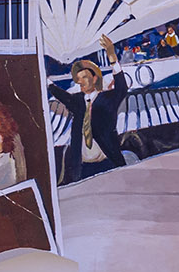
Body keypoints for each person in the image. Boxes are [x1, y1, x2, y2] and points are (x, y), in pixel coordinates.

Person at [47, 42, 129, 184]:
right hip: (84, 168)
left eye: (84, 77)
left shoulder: (107, 99)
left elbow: (121, 88)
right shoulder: (77, 101)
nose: (81, 82)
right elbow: (61, 95)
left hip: (108, 162)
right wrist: (47, 81)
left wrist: (112, 58)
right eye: (78, 79)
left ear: (95, 78)